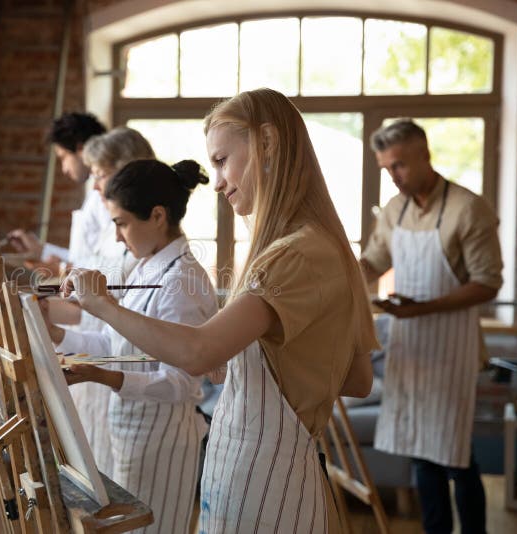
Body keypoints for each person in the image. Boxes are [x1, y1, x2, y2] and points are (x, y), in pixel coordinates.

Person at [60, 88, 378, 533]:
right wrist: (249, 364)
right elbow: (355, 377)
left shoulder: (297, 252)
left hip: (265, 472)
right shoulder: (300, 246)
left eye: (223, 160)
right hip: (251, 462)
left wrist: (103, 305)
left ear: (267, 144)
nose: (219, 181)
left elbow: (198, 353)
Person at [43, 159, 218, 533]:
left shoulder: (182, 280)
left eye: (122, 223)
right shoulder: (148, 266)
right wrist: (57, 334)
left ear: (157, 216)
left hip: (164, 443)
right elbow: (117, 342)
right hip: (132, 434)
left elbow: (180, 384)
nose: (118, 238)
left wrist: (103, 375)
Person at [361, 119, 503, 534]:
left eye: (400, 165)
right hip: (410, 346)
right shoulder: (393, 210)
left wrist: (424, 308)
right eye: (386, 168)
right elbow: (372, 263)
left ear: (425, 154)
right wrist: (336, 278)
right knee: (419, 450)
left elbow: (488, 283)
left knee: (455, 456)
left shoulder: (467, 207)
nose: (394, 176)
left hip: (452, 348)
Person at [60, 127, 156, 476]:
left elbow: (110, 300)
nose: (95, 185)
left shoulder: (136, 233)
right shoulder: (111, 227)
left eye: (101, 175)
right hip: (98, 351)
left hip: (119, 368)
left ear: (127, 170)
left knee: (112, 478)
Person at [7, 112, 106, 270]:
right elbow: (82, 258)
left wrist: (61, 268)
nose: (64, 169)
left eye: (63, 157)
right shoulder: (94, 194)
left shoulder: (106, 197)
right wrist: (41, 250)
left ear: (81, 149)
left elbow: (111, 267)